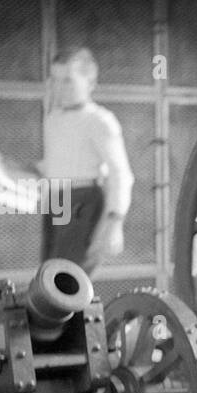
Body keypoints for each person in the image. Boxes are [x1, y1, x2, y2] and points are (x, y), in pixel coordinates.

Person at [37, 49, 133, 274]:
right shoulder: (53, 119)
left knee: (67, 278)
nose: (60, 87)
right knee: (48, 276)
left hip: (81, 202)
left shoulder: (100, 120)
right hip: (55, 200)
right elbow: (57, 165)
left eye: (68, 80)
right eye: (56, 80)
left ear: (91, 82)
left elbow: (121, 173)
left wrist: (115, 222)